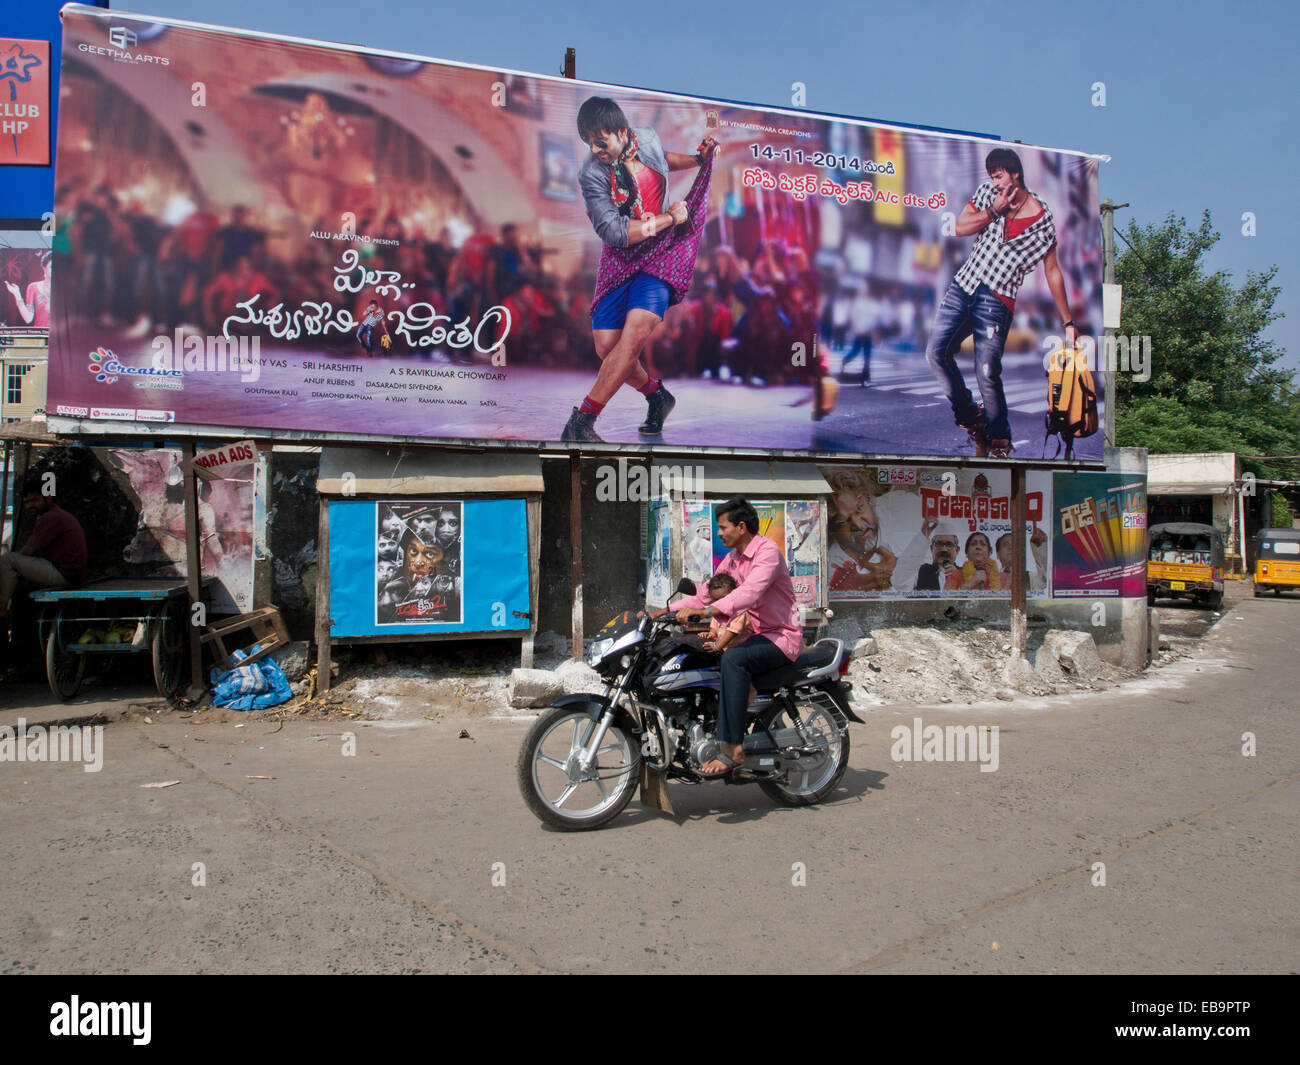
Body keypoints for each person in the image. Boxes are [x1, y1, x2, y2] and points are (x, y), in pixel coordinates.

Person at [562, 96, 717, 443]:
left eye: (601, 141)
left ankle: (581, 422)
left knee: (631, 339)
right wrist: (669, 218)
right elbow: (613, 232)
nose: (595, 148)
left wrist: (696, 159)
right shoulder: (591, 173)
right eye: (588, 142)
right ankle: (657, 396)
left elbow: (663, 160)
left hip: (662, 254)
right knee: (607, 347)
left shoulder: (645, 137)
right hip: (620, 255)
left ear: (622, 131)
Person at [926, 147, 1079, 458]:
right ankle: (972, 418)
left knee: (987, 372)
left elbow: (1052, 271)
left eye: (998, 176)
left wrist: (1068, 321)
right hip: (963, 285)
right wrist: (993, 211)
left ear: (1015, 175)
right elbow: (959, 227)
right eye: (991, 177)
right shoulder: (987, 194)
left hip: (996, 299)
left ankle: (999, 443)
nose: (993, 182)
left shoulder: (1043, 220)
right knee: (936, 354)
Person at [670, 498, 802, 777]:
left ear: (741, 527)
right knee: (702, 656)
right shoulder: (732, 559)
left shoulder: (768, 553)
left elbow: (749, 593)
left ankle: (732, 748)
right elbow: (703, 594)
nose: (718, 533)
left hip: (780, 637)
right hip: (753, 635)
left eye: (722, 527)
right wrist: (660, 613)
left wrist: (706, 612)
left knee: (733, 657)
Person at [0, 479, 87, 621]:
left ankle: (2, 607)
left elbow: (28, 551)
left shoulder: (50, 518)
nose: (29, 506)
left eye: (34, 500)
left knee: (7, 560)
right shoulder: (56, 515)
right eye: (27, 502)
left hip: (64, 575)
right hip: (69, 574)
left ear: (47, 498)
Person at [4, 251, 51, 328]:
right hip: (40, 335)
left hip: (60, 336)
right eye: (51, 267)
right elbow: (28, 318)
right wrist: (17, 294)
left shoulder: (65, 290)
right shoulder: (33, 287)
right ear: (44, 268)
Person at [995, 526, 1049, 591]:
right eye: (1005, 544)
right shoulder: (991, 578)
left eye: (1014, 544)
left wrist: (1040, 547)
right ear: (998, 554)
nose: (1010, 548)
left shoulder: (1030, 578)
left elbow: (1045, 582)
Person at [914, 526, 961, 591]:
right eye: (939, 544)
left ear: (957, 550)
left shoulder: (965, 573)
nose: (944, 549)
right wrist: (922, 538)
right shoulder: (920, 571)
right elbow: (900, 583)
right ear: (931, 548)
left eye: (949, 544)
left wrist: (960, 577)